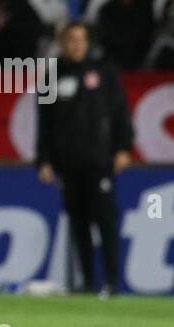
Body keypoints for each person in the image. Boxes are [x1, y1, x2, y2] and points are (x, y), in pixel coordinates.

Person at [36, 21, 134, 296]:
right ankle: (88, 283)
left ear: (88, 41)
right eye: (71, 39)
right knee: (78, 223)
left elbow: (120, 113)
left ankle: (113, 282)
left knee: (104, 220)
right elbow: (44, 121)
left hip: (99, 159)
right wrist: (43, 159)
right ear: (62, 42)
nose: (76, 44)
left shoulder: (104, 71)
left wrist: (123, 147)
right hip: (68, 161)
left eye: (81, 39)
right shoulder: (52, 75)